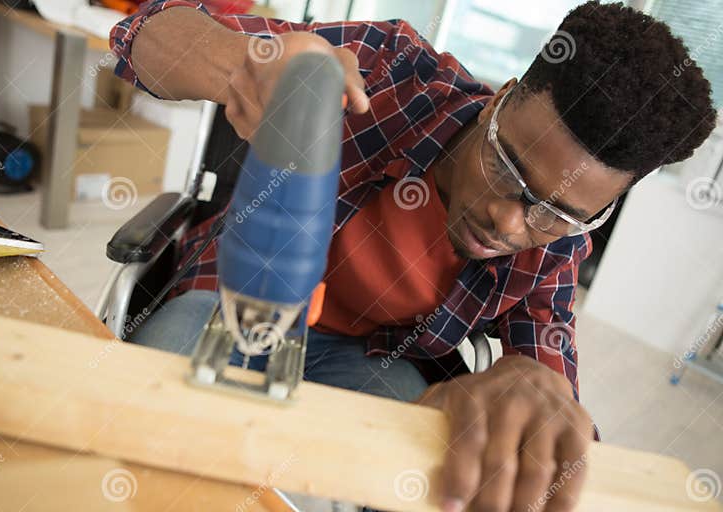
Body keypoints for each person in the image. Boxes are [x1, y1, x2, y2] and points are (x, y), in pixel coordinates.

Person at [109, 2, 716, 510]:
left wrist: (535, 394)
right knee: (141, 435)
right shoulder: (388, 70)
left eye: (560, 212)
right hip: (230, 304)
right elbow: (142, 34)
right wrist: (243, 66)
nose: (511, 221)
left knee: (394, 479)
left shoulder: (556, 251)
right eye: (508, 167)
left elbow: (549, 388)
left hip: (366, 360)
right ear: (500, 99)